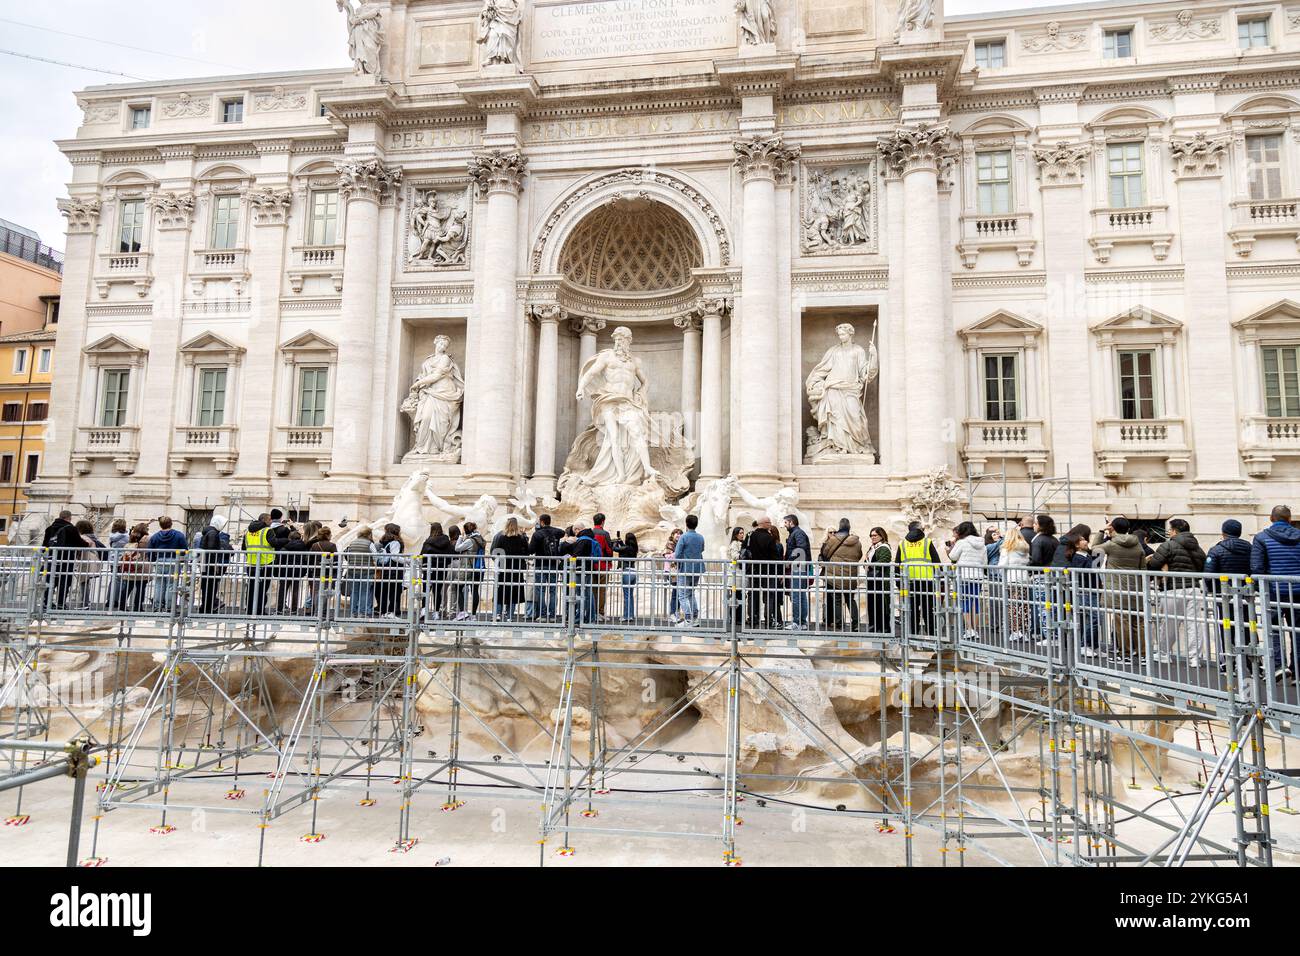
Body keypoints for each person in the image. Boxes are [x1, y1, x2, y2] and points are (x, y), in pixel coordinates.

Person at [1145, 518, 1207, 666]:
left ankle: (1164, 654)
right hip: (1194, 588)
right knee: (1194, 624)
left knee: (1169, 623)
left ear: (1174, 531)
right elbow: (1202, 567)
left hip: (1173, 588)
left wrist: (1149, 560)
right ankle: (1195, 658)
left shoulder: (1168, 545)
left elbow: (1154, 565)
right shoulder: (1198, 548)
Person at [1250, 505, 1300, 677]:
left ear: (1271, 518)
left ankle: (1279, 666)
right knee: (1298, 630)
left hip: (1273, 591)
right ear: (1289, 519)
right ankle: (1298, 671)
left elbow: (1256, 568)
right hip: (1298, 591)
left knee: (1273, 629)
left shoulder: (1262, 537)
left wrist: (1259, 590)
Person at [1090, 517, 1147, 663]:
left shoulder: (1111, 544)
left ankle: (1125, 654)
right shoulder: (1137, 544)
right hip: (1136, 589)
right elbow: (1143, 567)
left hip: (1117, 591)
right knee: (1138, 622)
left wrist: (1102, 530)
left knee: (1122, 623)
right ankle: (1143, 655)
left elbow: (1094, 548)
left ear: (1113, 528)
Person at [1204, 519, 1251, 671]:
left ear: (1223, 533)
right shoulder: (1249, 548)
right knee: (1248, 626)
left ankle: (1228, 662)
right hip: (1245, 595)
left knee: (1226, 627)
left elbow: (1208, 574)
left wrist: (1213, 590)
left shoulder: (1216, 550)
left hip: (1223, 596)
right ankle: (1249, 662)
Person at [896, 522, 941, 635]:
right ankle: (931, 635)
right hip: (927, 581)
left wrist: (898, 583)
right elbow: (936, 562)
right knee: (928, 610)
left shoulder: (902, 543)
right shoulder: (927, 542)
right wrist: (938, 580)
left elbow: (897, 564)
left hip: (908, 581)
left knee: (912, 609)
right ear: (921, 529)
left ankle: (913, 635)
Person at [818, 518, 862, 631]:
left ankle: (839, 624)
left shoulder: (833, 539)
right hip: (850, 576)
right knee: (850, 600)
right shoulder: (857, 541)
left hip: (834, 575)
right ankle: (856, 624)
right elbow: (859, 556)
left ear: (839, 526)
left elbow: (825, 553)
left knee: (837, 600)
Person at [948, 521, 988, 640]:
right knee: (975, 602)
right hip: (978, 576)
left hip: (964, 576)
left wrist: (950, 547)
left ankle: (969, 629)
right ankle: (974, 630)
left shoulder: (962, 542)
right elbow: (985, 562)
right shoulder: (982, 544)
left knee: (965, 602)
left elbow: (953, 557)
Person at [745, 518, 783, 628]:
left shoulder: (750, 536)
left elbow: (746, 551)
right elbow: (775, 556)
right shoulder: (769, 538)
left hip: (754, 570)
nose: (770, 524)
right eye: (769, 523)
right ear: (764, 524)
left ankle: (753, 618)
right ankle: (768, 620)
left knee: (753, 595)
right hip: (768, 571)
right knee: (769, 596)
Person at [147, 516, 188, 613]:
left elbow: (150, 550)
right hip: (174, 561)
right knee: (171, 584)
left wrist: (152, 560)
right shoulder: (179, 535)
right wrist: (183, 560)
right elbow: (185, 549)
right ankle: (169, 607)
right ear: (171, 523)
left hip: (160, 560)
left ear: (160, 524)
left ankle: (157, 606)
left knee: (158, 584)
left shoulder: (155, 536)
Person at [528, 514, 564, 621]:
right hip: (553, 565)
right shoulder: (557, 532)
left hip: (540, 564)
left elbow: (531, 550)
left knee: (541, 590)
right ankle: (552, 615)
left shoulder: (537, 534)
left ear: (542, 522)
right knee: (553, 590)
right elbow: (563, 532)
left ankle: (543, 615)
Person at [1000, 526, 1032, 643]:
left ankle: (1015, 631)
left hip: (1012, 579)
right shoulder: (1025, 548)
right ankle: (1024, 631)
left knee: (1013, 606)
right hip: (1024, 579)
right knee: (1024, 606)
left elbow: (1002, 565)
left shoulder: (1007, 549)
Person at [673, 515, 706, 627]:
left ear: (686, 524)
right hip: (697, 569)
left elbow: (677, 554)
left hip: (685, 569)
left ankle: (687, 619)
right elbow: (702, 549)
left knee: (682, 595)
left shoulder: (684, 537)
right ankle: (695, 618)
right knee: (691, 593)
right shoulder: (701, 537)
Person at [196, 515, 232, 614]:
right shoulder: (213, 533)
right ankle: (207, 608)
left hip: (206, 563)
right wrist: (214, 563)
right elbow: (212, 549)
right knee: (210, 586)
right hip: (210, 564)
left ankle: (206, 607)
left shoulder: (208, 532)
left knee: (208, 585)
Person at [421, 522, 455, 620]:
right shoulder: (446, 541)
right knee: (437, 590)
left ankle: (424, 610)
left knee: (426, 589)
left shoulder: (428, 541)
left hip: (429, 568)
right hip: (441, 568)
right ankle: (436, 612)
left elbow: (422, 555)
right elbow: (451, 554)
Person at [243, 515, 276, 616]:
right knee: (262, 589)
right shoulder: (267, 531)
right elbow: (274, 543)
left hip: (251, 563)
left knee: (251, 587)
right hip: (266, 563)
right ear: (264, 520)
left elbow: (244, 548)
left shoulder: (248, 531)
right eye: (270, 519)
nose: (271, 521)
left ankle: (249, 610)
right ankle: (259, 610)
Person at [784, 515, 812, 630]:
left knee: (796, 595)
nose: (784, 525)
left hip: (798, 567)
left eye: (785, 522)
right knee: (801, 595)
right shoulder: (797, 533)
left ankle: (797, 623)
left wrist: (789, 561)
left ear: (791, 522)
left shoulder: (797, 533)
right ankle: (802, 622)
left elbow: (801, 548)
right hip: (800, 566)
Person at [455, 521, 487, 620]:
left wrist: (460, 536)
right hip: (478, 568)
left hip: (468, 568)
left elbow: (457, 548)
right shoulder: (480, 538)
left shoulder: (470, 541)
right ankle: (473, 615)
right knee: (475, 590)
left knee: (457, 586)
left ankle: (462, 612)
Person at [344, 527, 378, 618]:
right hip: (366, 571)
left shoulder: (352, 543)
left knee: (354, 592)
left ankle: (353, 612)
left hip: (352, 570)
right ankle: (362, 612)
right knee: (364, 592)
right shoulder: (370, 544)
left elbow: (347, 555)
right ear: (369, 534)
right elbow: (375, 557)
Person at [865, 527, 892, 635]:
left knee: (882, 606)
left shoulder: (884, 548)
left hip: (881, 581)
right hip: (872, 580)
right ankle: (874, 627)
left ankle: (884, 629)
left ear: (881, 536)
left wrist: (869, 565)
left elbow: (883, 561)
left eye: (875, 535)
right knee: (872, 605)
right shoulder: (872, 548)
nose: (873, 537)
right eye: (871, 535)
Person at [276, 529, 310, 615]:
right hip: (298, 572)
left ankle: (279, 609)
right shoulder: (304, 547)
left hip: (285, 571)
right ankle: (294, 610)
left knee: (282, 590)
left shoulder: (285, 547)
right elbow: (306, 560)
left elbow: (279, 558)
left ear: (289, 538)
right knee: (295, 590)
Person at [375, 524, 405, 618]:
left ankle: (383, 612)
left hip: (384, 569)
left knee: (383, 591)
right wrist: (407, 561)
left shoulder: (383, 541)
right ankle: (392, 611)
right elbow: (395, 557)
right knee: (395, 591)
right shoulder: (395, 542)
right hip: (394, 570)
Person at [307, 525, 338, 616]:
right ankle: (322, 612)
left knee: (317, 593)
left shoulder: (314, 545)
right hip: (329, 573)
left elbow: (311, 559)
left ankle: (317, 612)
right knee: (326, 593)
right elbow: (336, 559)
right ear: (327, 535)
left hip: (317, 572)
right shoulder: (332, 545)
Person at [591, 513, 614, 618]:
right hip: (603, 565)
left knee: (593, 589)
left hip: (591, 565)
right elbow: (609, 550)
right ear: (602, 522)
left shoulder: (590, 533)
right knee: (602, 590)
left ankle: (592, 612)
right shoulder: (605, 534)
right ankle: (600, 612)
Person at [616, 531, 639, 622]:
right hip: (633, 572)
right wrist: (620, 542)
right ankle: (631, 615)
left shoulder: (626, 548)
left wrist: (615, 543)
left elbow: (616, 549)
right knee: (630, 595)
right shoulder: (633, 548)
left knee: (626, 596)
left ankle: (626, 616)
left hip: (627, 572)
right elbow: (624, 548)